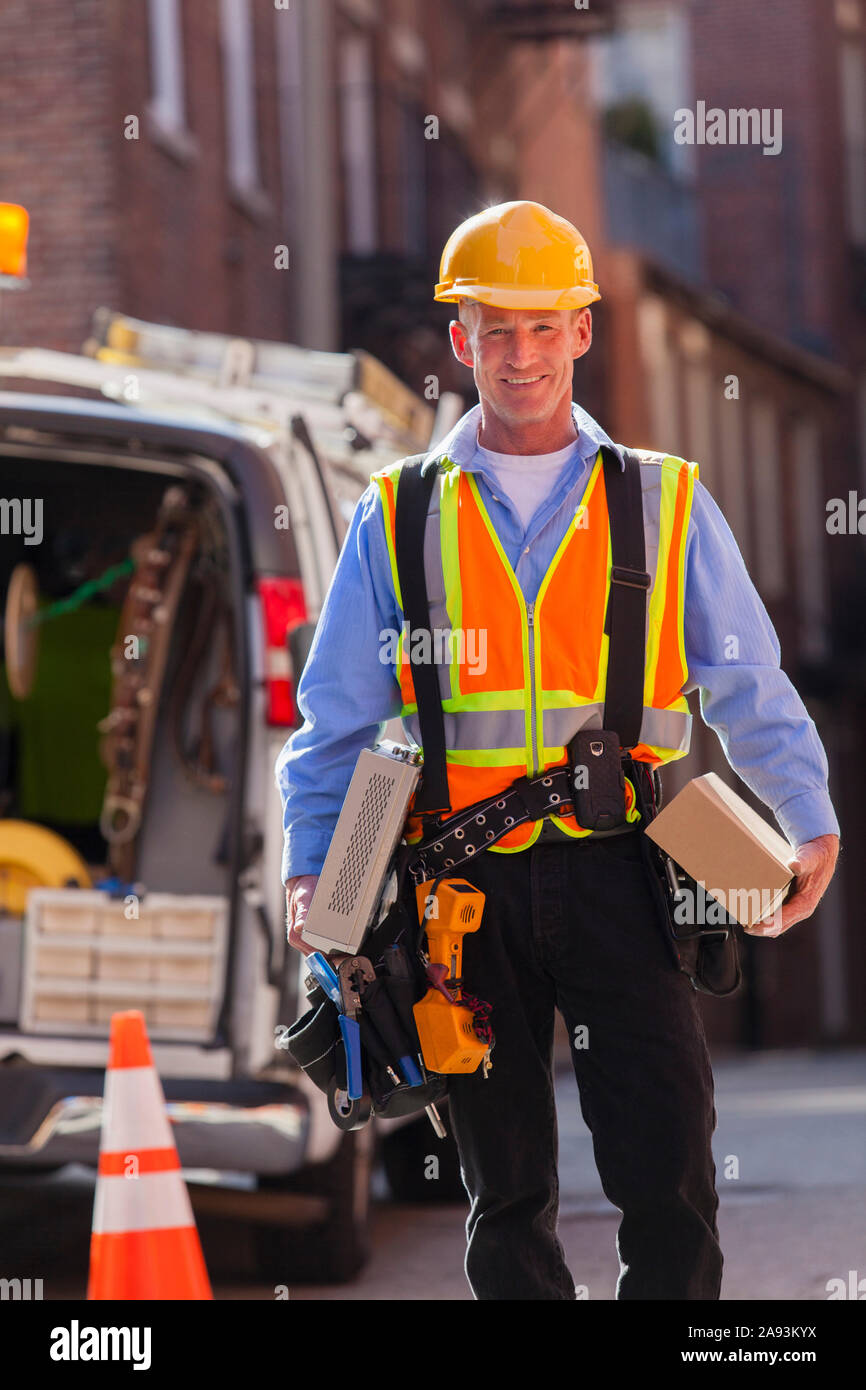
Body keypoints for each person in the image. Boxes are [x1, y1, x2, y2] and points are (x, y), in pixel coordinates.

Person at [276, 201, 840, 1300]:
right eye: (495, 329)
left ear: (582, 330)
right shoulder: (395, 514)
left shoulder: (661, 498)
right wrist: (314, 870)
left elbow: (743, 678)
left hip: (625, 869)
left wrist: (803, 812)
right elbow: (335, 719)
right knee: (503, 1198)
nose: (520, 353)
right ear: (460, 340)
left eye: (543, 327)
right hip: (458, 893)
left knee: (668, 1170)